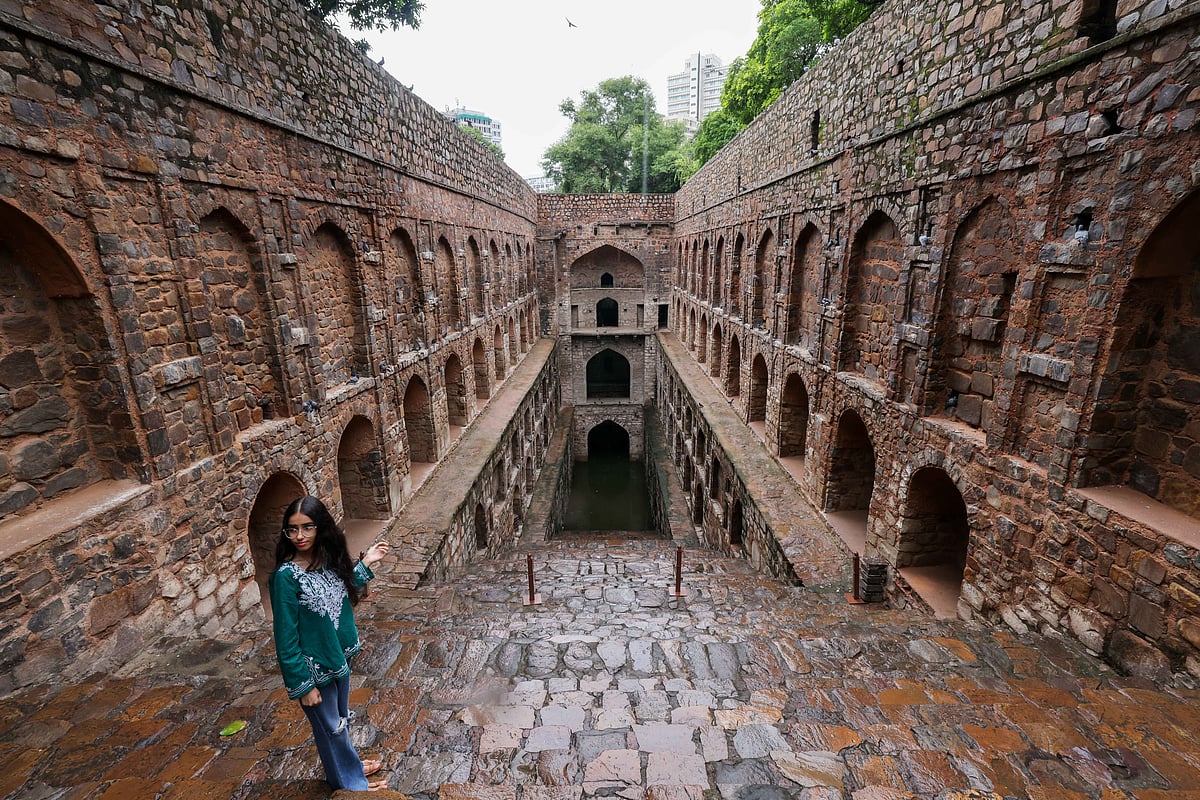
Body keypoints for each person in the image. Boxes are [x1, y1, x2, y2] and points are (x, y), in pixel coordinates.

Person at [270, 495, 391, 792]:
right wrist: (303, 685)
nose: (299, 536)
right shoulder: (286, 577)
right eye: (293, 529)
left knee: (340, 723)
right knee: (331, 730)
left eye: (307, 527)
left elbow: (342, 591)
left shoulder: (327, 562)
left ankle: (347, 765)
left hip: (338, 659)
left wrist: (366, 563)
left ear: (321, 527)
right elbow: (285, 636)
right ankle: (351, 784)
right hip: (314, 669)